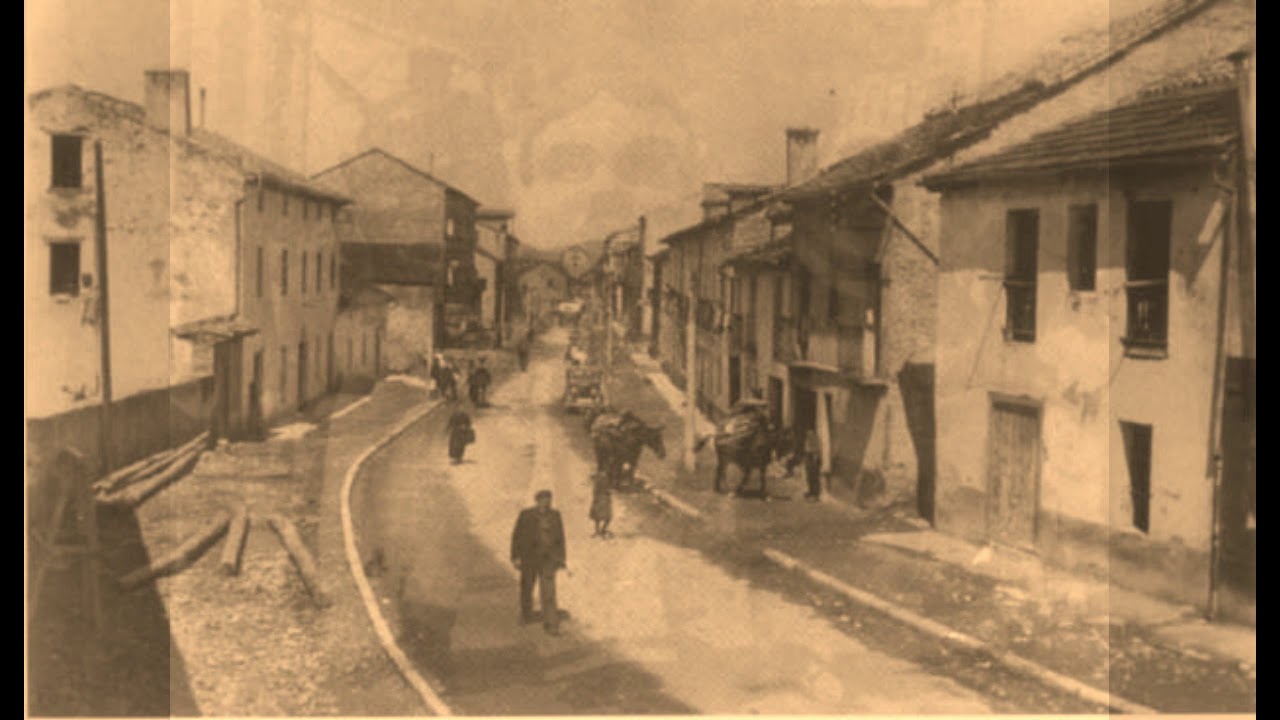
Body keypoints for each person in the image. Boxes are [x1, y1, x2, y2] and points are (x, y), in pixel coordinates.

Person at [510, 490, 567, 635]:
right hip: (529, 558)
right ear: (537, 501)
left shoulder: (555, 515)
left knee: (549, 592)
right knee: (527, 587)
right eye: (543, 499)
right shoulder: (526, 515)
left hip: (548, 559)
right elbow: (516, 536)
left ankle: (551, 624)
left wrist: (561, 558)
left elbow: (561, 537)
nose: (546, 502)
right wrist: (516, 556)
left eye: (549, 499)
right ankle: (526, 613)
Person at [589, 471, 613, 538]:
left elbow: (595, 491)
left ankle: (599, 531)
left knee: (598, 517)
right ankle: (601, 530)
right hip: (603, 500)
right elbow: (607, 491)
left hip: (601, 500)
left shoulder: (598, 482)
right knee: (607, 517)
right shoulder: (603, 481)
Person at [802, 428, 822, 501]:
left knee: (814, 476)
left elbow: (816, 451)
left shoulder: (815, 438)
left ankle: (815, 494)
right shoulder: (808, 438)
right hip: (808, 457)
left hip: (812, 458)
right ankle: (810, 491)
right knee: (809, 476)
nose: (808, 432)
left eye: (810, 431)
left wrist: (815, 459)